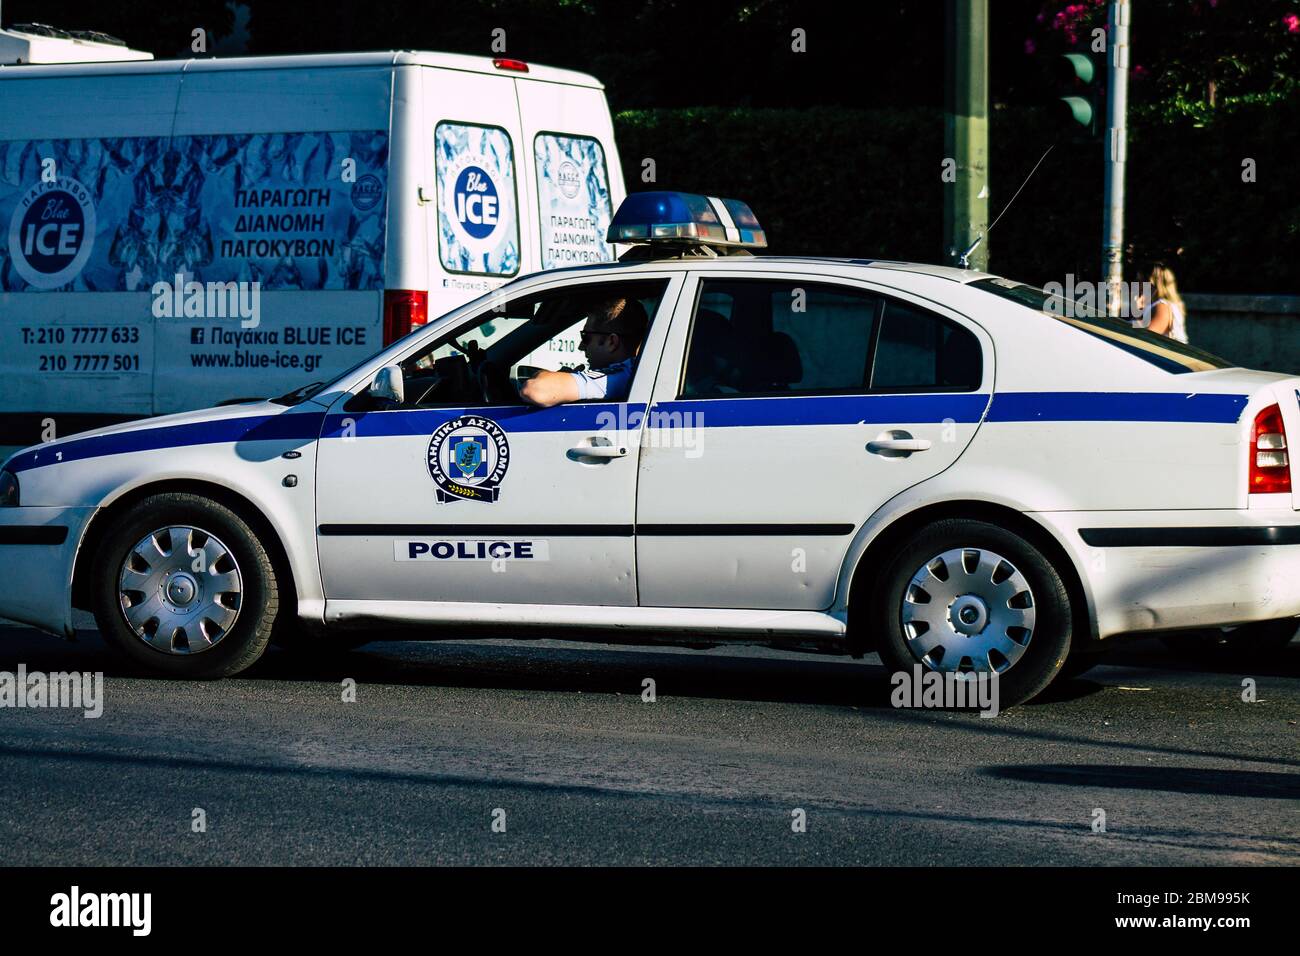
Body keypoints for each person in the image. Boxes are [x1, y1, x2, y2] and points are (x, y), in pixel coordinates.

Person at [520, 298, 648, 407]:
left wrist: (563, 375)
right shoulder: (639, 372)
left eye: (586, 337)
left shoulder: (619, 376)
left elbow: (534, 390)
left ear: (611, 342)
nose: (581, 346)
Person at [1132, 263, 1188, 344]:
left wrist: (1136, 312)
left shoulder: (1163, 307)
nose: (1135, 283)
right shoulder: (1154, 305)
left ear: (1151, 283)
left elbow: (1145, 339)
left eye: (1138, 280)